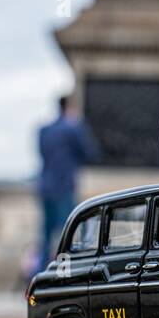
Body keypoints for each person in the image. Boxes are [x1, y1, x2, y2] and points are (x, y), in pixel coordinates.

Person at [36, 94, 98, 269]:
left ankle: (40, 274)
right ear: (70, 107)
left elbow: (42, 153)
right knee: (67, 234)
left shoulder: (44, 130)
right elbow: (89, 152)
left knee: (46, 236)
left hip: (45, 186)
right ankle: (64, 273)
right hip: (64, 187)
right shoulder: (73, 129)